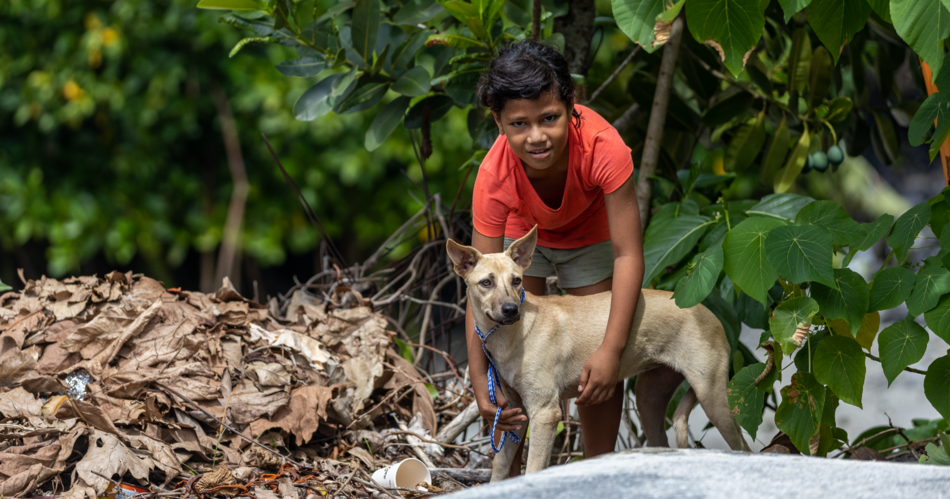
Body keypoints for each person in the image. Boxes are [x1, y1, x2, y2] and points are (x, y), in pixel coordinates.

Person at [467, 40, 645, 476]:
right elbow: (480, 287)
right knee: (512, 361)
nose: (536, 136)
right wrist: (479, 384)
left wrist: (611, 350)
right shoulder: (493, 175)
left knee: (595, 364)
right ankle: (511, 485)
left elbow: (628, 254)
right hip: (521, 241)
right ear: (498, 122)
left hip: (590, 237)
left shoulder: (603, 147)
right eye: (519, 123)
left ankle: (596, 476)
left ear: (572, 104)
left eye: (549, 118)